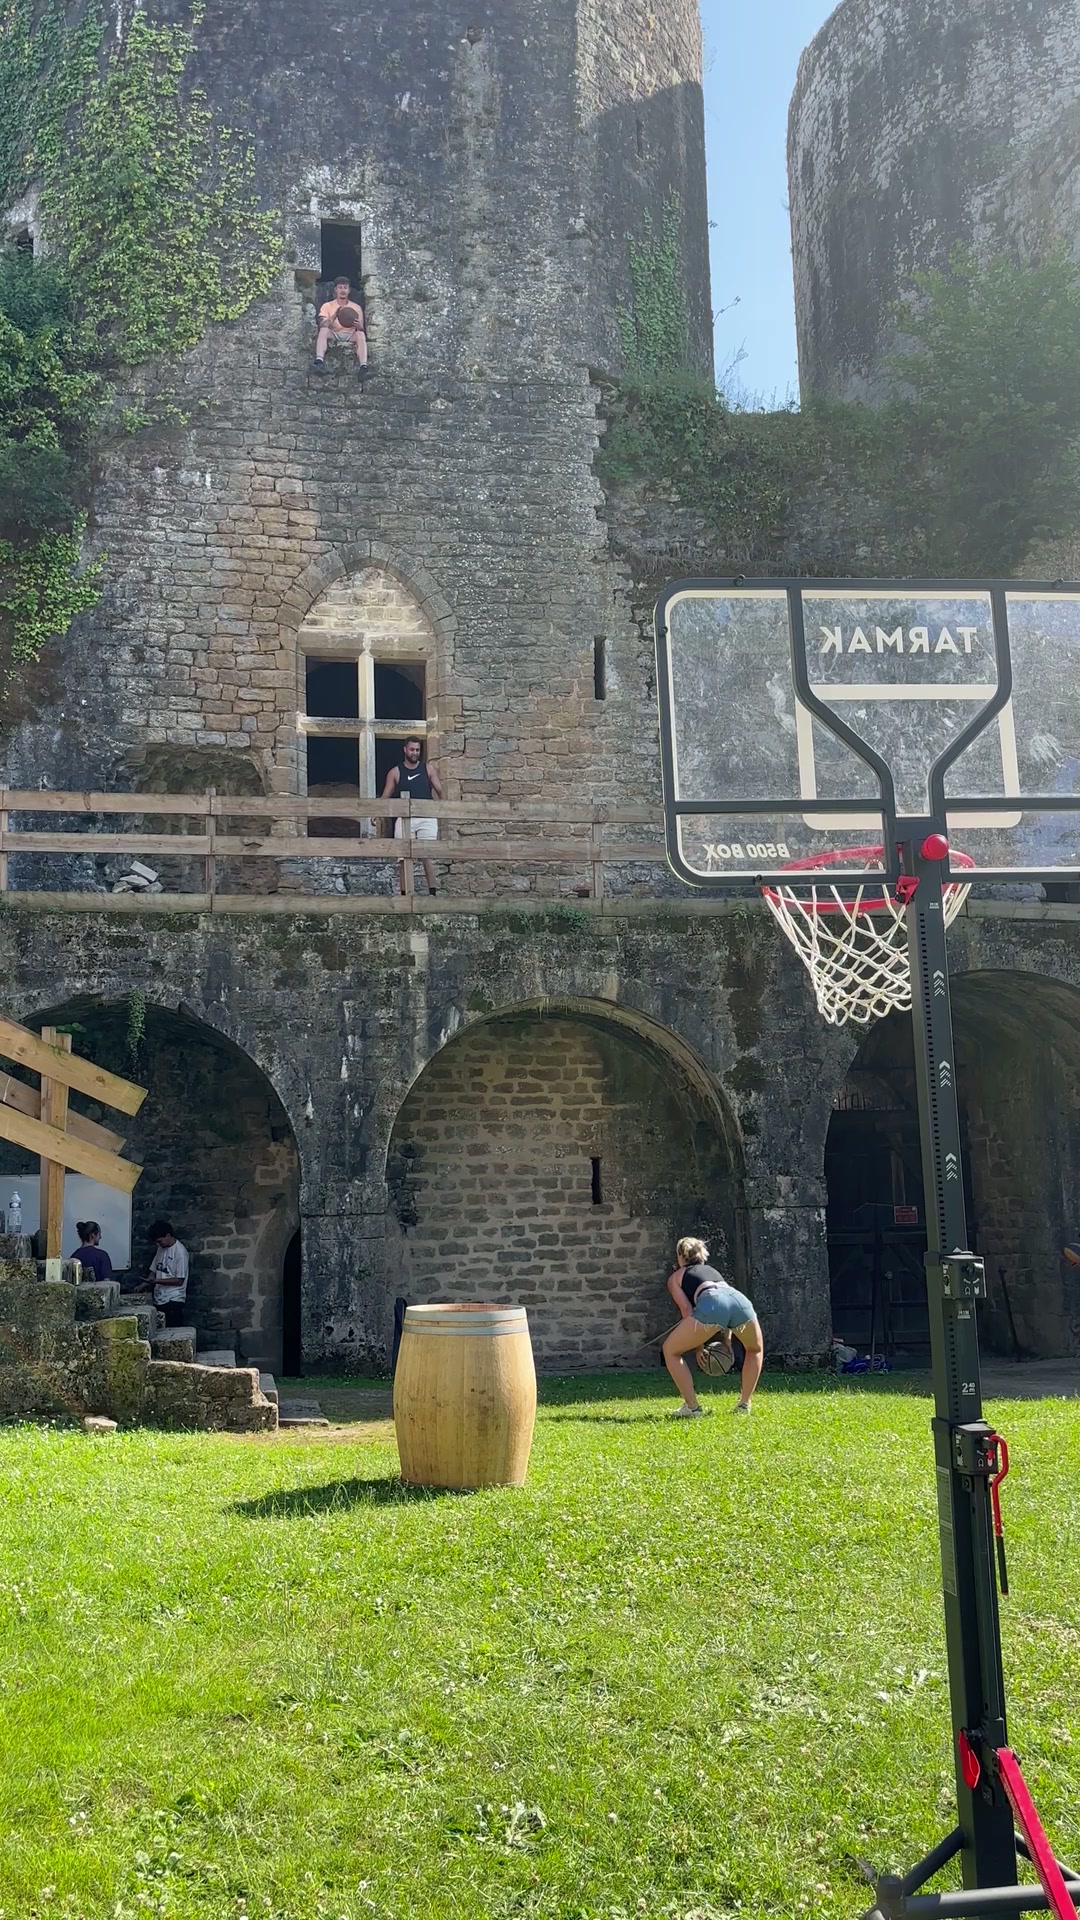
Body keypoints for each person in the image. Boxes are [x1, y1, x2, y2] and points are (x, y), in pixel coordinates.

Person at [662, 1236, 764, 1418]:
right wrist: (727, 1341)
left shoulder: (676, 1277)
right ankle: (744, 1404)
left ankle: (692, 1408)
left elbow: (687, 1311)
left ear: (680, 1255)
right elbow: (727, 1309)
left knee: (670, 1350)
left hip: (713, 1302)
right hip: (739, 1301)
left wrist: (699, 1347)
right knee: (754, 1349)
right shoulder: (712, 1270)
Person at [382, 737, 443, 896]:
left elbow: (440, 791)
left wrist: (443, 809)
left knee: (426, 855)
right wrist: (377, 813)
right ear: (405, 750)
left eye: (417, 750)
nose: (415, 753)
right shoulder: (395, 772)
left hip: (427, 817)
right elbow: (386, 795)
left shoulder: (428, 769)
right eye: (412, 749)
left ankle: (432, 893)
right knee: (403, 857)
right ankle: (405, 894)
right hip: (404, 818)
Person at [136, 1219, 190, 1325]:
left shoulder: (180, 1253)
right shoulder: (161, 1249)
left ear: (168, 1235)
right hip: (159, 1298)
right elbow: (154, 1270)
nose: (158, 1244)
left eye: (160, 1241)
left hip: (173, 1299)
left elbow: (179, 1280)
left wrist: (156, 1281)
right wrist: (143, 1284)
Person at [313, 277, 369, 378]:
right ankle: (319, 361)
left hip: (350, 334)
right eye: (340, 287)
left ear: (349, 290)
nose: (343, 290)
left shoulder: (356, 307)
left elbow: (361, 328)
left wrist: (358, 325)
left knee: (360, 334)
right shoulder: (327, 306)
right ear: (335, 289)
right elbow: (322, 324)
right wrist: (334, 316)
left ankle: (363, 367)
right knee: (323, 330)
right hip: (334, 333)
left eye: (345, 288)